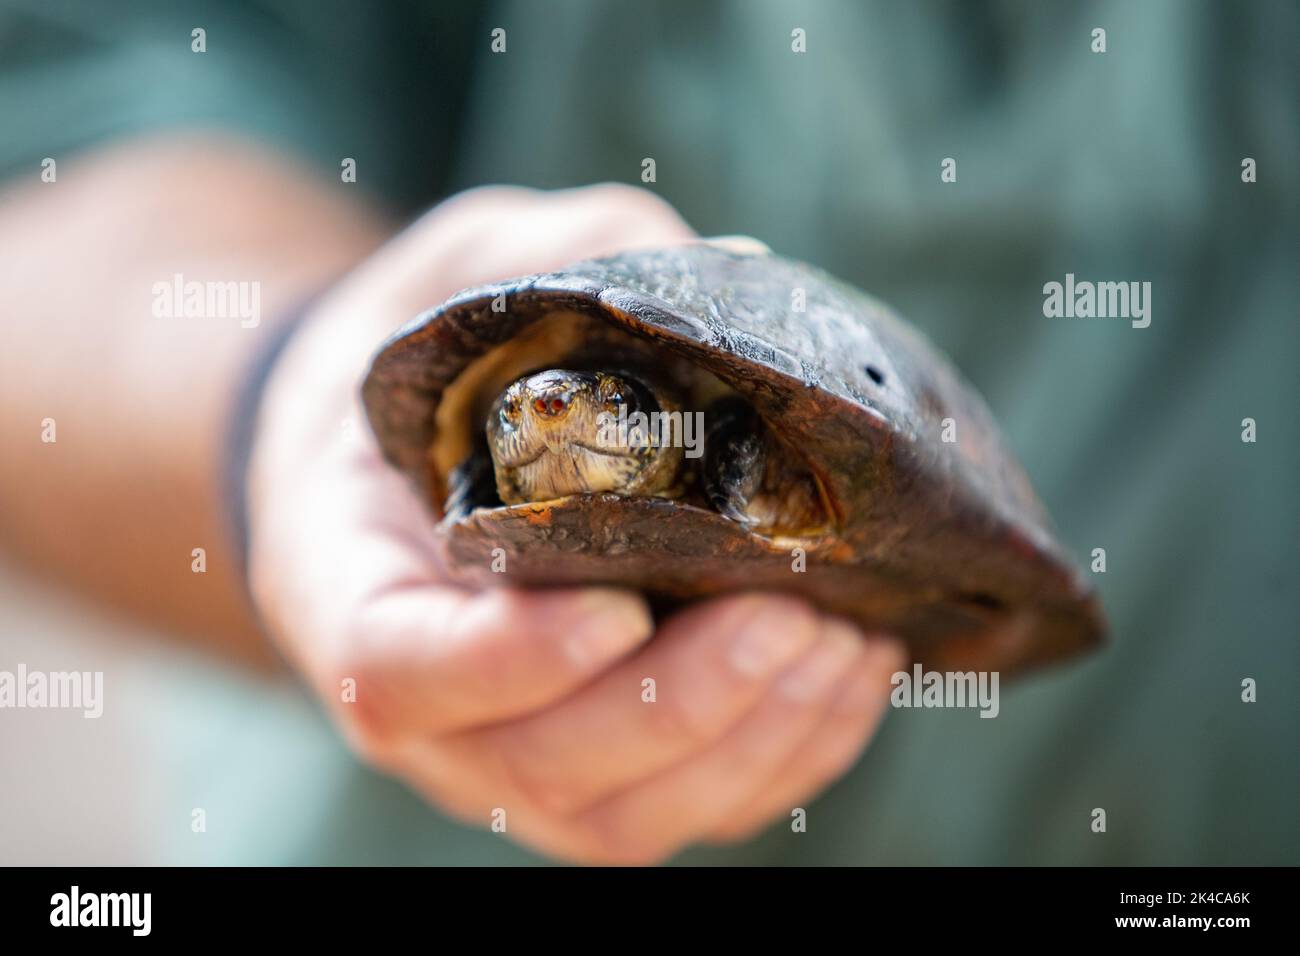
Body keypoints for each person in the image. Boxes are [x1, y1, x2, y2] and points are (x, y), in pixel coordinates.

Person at [0, 1, 1295, 865]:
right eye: (526, 413)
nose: (540, 426)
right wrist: (279, 406)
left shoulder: (728, 443)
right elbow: (55, 138)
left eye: (580, 406)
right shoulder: (497, 429)